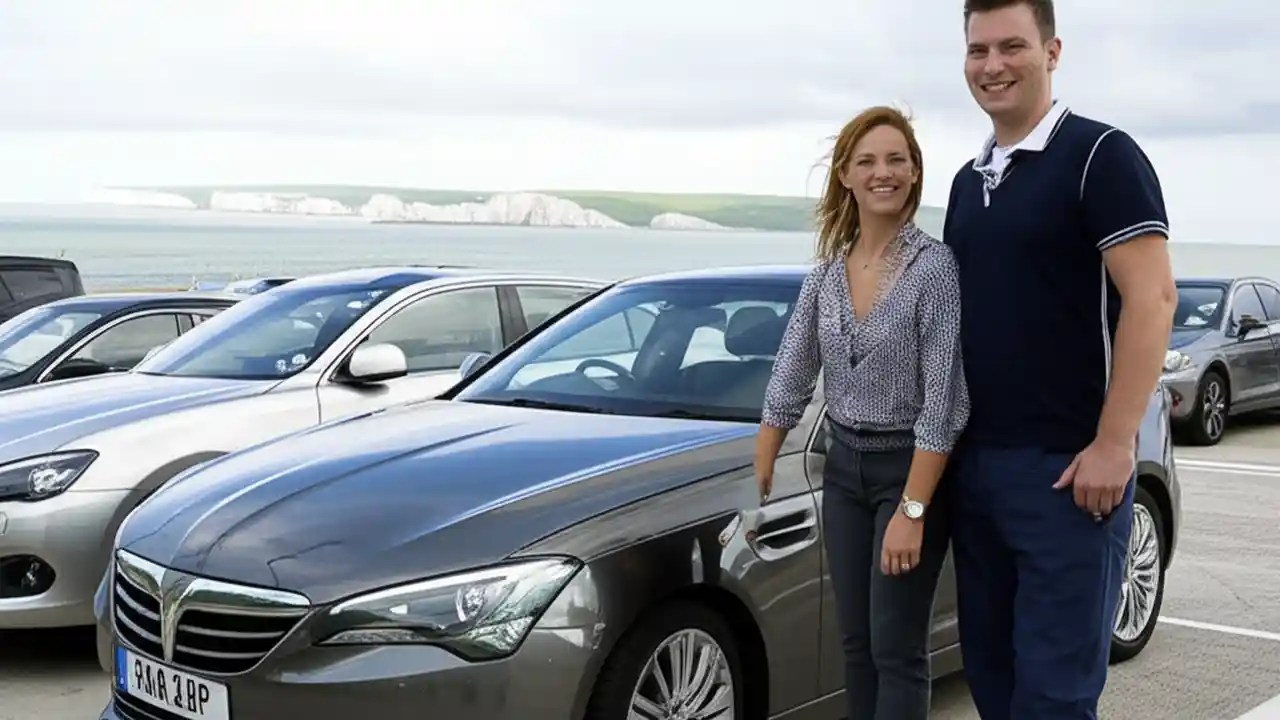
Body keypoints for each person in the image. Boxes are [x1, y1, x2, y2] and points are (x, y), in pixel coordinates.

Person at [942, 1, 1178, 718]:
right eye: (978, 50)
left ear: (1052, 51)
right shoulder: (967, 182)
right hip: (976, 473)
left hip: (1068, 478)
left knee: (1054, 700)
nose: (993, 66)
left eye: (1012, 46)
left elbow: (1153, 299)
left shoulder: (1101, 156)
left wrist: (1115, 443)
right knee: (992, 685)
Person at [755, 105, 969, 720]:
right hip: (843, 470)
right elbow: (794, 365)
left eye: (897, 160)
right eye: (868, 161)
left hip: (909, 471)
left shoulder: (935, 270)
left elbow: (944, 401)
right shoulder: (827, 272)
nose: (884, 173)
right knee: (856, 645)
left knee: (896, 649)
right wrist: (766, 450)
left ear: (915, 172)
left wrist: (913, 510)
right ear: (845, 175)